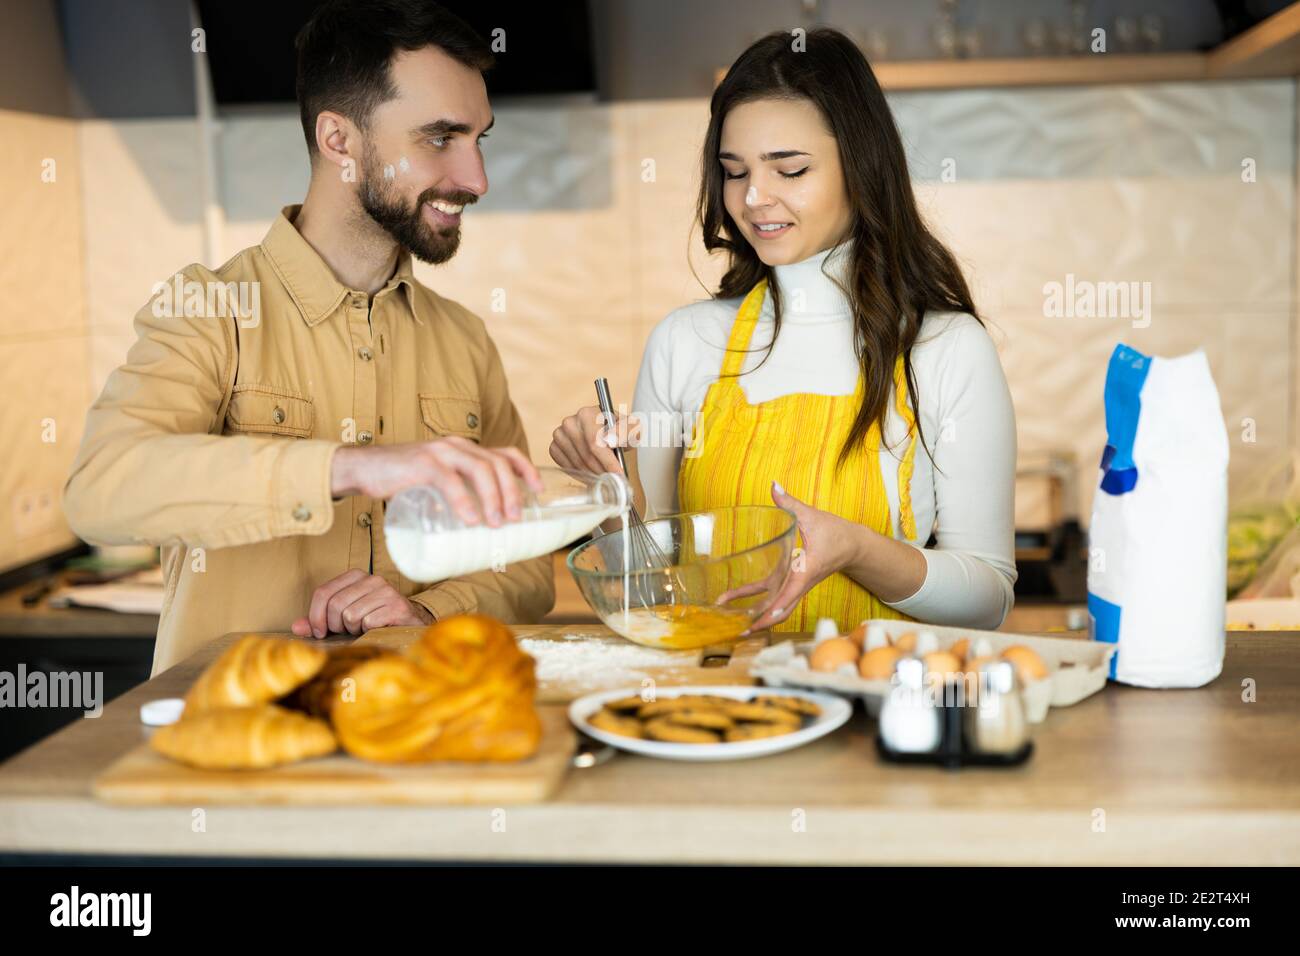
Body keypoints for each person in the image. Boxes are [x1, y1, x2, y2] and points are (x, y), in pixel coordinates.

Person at [64, 0, 553, 674]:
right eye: (440, 138)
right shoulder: (210, 308)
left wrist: (429, 611)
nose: (476, 179)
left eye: (479, 140)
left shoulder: (463, 339)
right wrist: (349, 466)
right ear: (339, 141)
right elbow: (101, 491)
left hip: (408, 740)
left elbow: (525, 565)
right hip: (236, 751)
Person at [550, 28, 1016, 634]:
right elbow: (650, 595)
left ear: (861, 167)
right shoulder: (685, 342)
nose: (753, 199)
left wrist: (855, 548)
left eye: (790, 170)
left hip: (870, 709)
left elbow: (988, 599)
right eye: (734, 171)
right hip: (721, 710)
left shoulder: (945, 350)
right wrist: (606, 494)